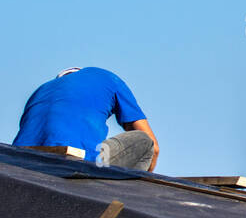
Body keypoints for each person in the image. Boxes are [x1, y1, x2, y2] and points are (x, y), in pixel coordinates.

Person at [12, 67, 159, 170]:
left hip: (19, 160)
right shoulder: (108, 78)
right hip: (81, 161)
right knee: (144, 141)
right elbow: (155, 148)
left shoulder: (40, 91)